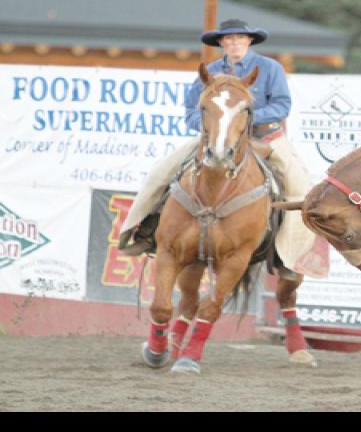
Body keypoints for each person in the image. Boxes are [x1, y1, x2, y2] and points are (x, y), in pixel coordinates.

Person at [118, 19, 316, 273]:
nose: (235, 43)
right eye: (229, 39)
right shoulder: (209, 71)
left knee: (299, 186)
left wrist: (243, 118)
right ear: (222, 42)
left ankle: (289, 256)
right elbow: (191, 111)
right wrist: (216, 125)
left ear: (249, 41)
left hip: (265, 137)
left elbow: (281, 105)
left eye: (240, 38)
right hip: (216, 138)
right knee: (160, 172)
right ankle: (140, 233)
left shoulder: (270, 68)